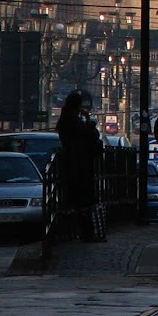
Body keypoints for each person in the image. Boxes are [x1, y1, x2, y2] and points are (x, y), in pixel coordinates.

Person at [56, 90, 104, 241]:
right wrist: (89, 121)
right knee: (83, 200)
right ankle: (86, 233)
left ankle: (83, 231)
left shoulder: (66, 119)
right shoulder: (72, 121)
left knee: (80, 200)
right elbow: (91, 135)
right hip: (79, 165)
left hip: (76, 163)